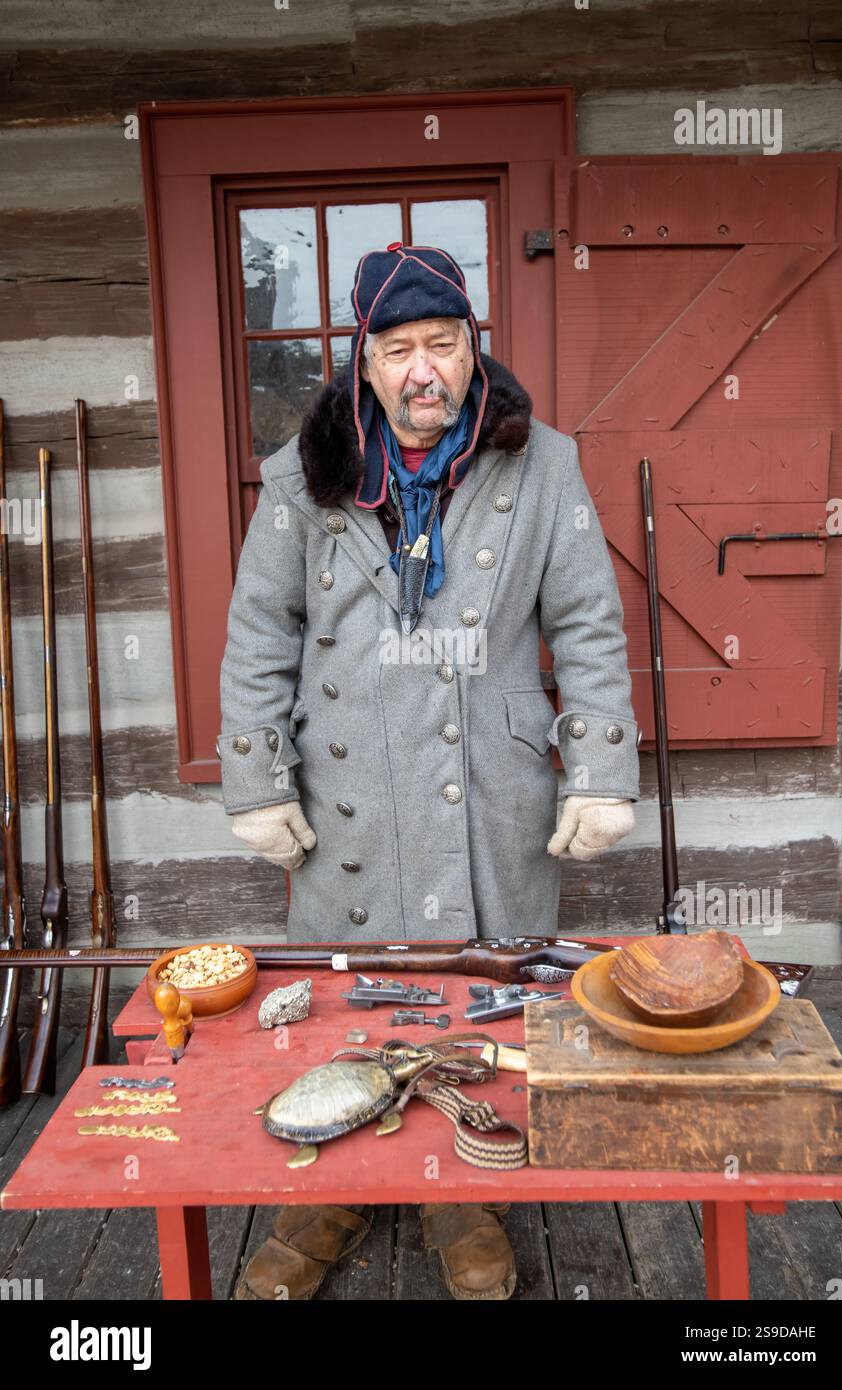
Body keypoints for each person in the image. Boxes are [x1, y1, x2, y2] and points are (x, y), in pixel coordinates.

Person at [218, 243, 639, 1299]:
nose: (422, 371)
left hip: (489, 785)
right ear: (363, 361)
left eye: (441, 345)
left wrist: (598, 767)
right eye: (398, 349)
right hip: (348, 788)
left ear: (470, 348)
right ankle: (330, 1189)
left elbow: (586, 622)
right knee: (351, 995)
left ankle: (464, 1189)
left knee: (479, 996)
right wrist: (257, 780)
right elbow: (260, 632)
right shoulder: (301, 474)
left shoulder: (542, 463)